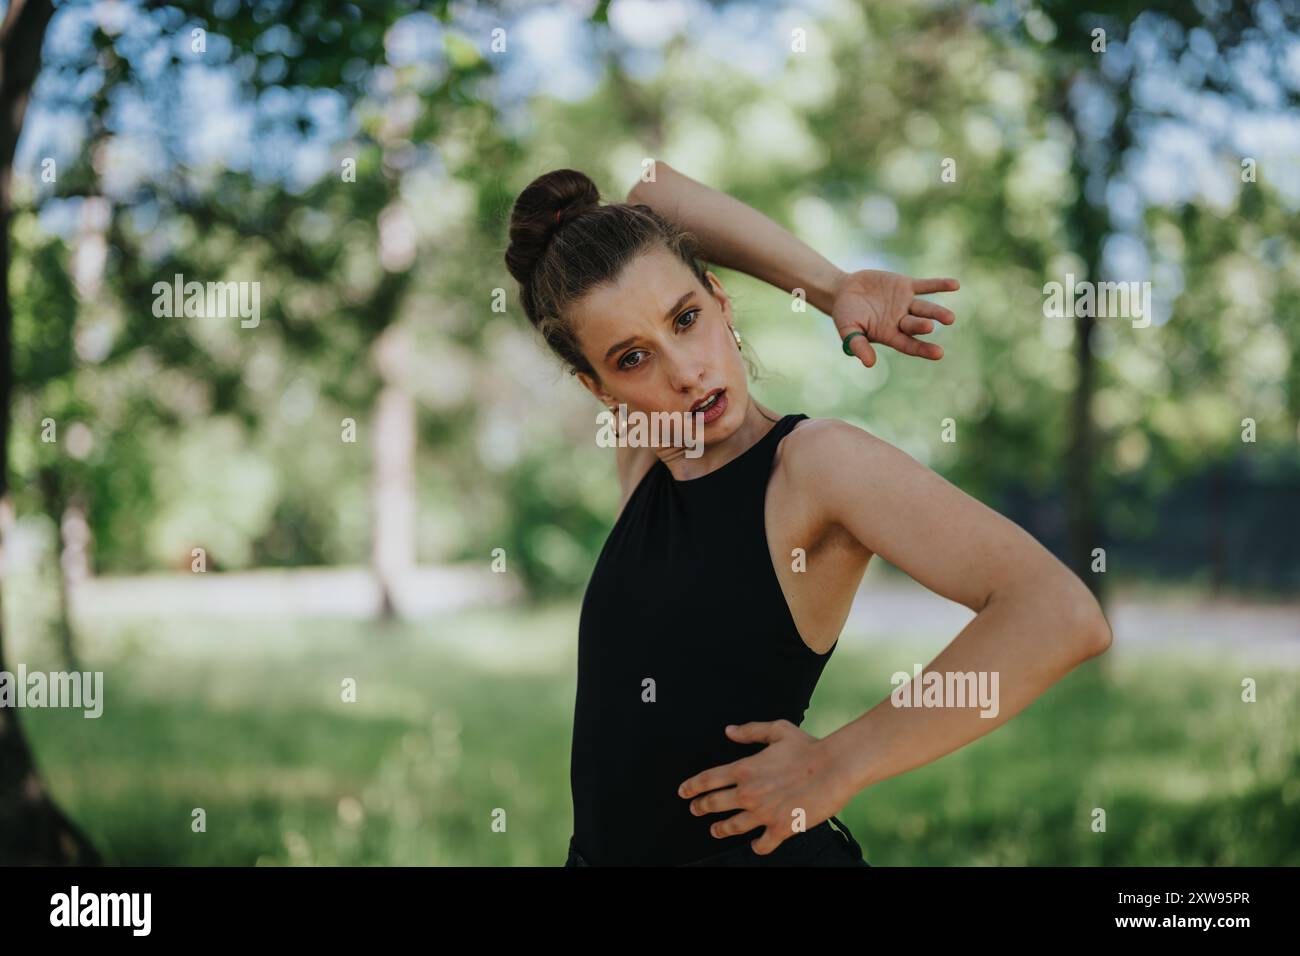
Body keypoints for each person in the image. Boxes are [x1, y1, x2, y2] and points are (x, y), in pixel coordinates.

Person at [503, 162, 1113, 867]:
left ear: (722, 303)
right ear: (600, 388)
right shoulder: (648, 459)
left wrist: (841, 764)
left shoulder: (813, 465)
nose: (684, 372)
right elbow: (649, 193)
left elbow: (1060, 613)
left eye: (687, 318)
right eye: (634, 357)